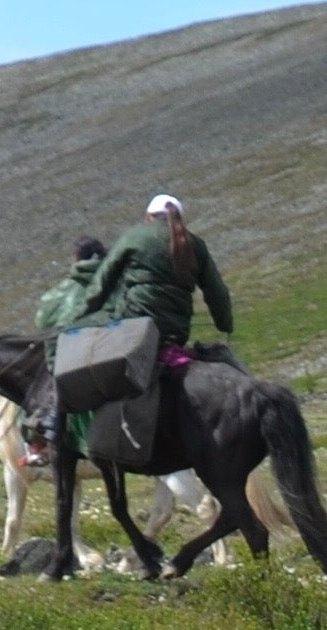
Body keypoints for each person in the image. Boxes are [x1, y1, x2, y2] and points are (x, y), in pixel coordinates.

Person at [70, 193, 238, 463]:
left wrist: (77, 320)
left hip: (133, 329)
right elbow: (217, 293)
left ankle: (49, 425)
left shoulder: (135, 237)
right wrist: (225, 324)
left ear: (148, 217)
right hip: (175, 333)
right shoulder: (195, 245)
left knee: (70, 347)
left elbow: (100, 287)